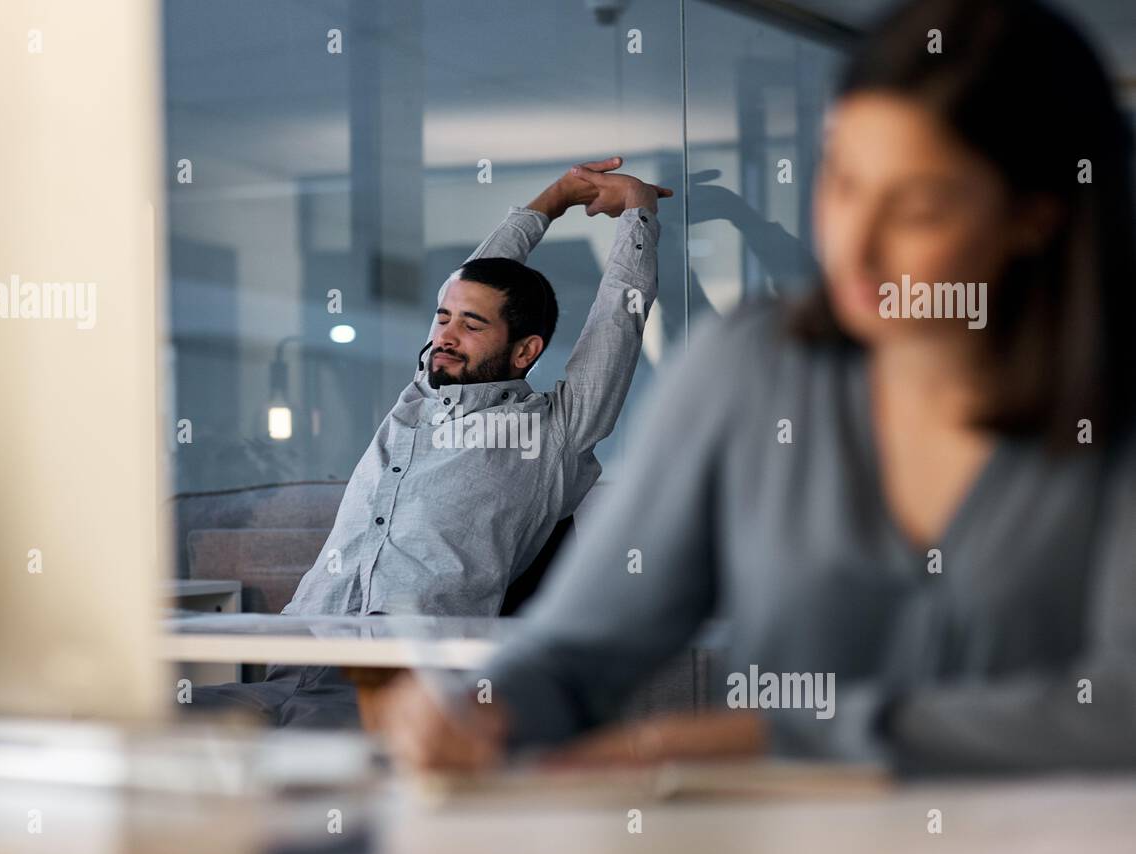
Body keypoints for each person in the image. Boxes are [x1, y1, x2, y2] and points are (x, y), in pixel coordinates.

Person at [380, 0, 1136, 776]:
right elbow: (580, 648)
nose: (855, 242)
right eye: (840, 181)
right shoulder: (748, 373)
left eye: (918, 205)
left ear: (1037, 217)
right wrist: (482, 704)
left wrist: (780, 738)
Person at [192, 157, 673, 727]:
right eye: (443, 318)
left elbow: (620, 316)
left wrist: (638, 211)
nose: (445, 335)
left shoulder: (555, 431)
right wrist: (554, 199)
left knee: (289, 783)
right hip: (292, 667)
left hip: (397, 691)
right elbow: (473, 278)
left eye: (472, 326)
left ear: (524, 351)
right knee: (137, 734)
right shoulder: (419, 398)